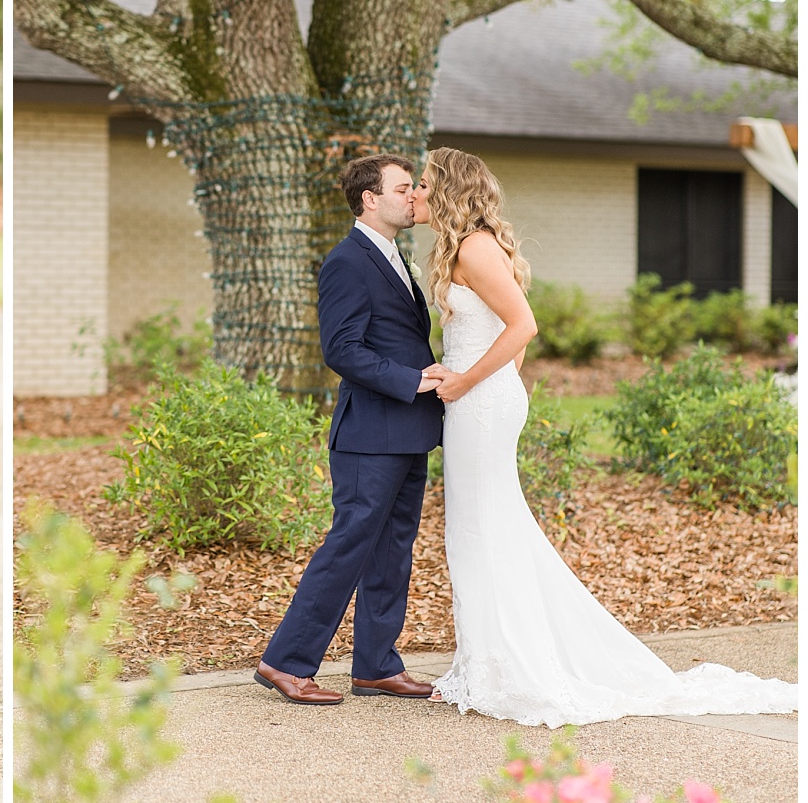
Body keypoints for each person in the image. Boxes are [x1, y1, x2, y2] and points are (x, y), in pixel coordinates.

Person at [414, 147, 797, 726]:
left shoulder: (474, 247)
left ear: (447, 190)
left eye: (423, 183)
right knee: (481, 527)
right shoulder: (469, 246)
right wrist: (484, 383)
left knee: (479, 528)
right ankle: (486, 662)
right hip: (480, 401)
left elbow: (523, 326)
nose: (416, 192)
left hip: (479, 403)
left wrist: (469, 380)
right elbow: (506, 337)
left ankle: (504, 667)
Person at [254, 154, 448, 705]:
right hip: (369, 434)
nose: (414, 197)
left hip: (408, 430)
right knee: (348, 547)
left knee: (393, 550)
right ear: (370, 198)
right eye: (403, 188)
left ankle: (376, 666)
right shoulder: (347, 261)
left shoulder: (394, 257)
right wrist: (413, 380)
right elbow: (341, 349)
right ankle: (286, 662)